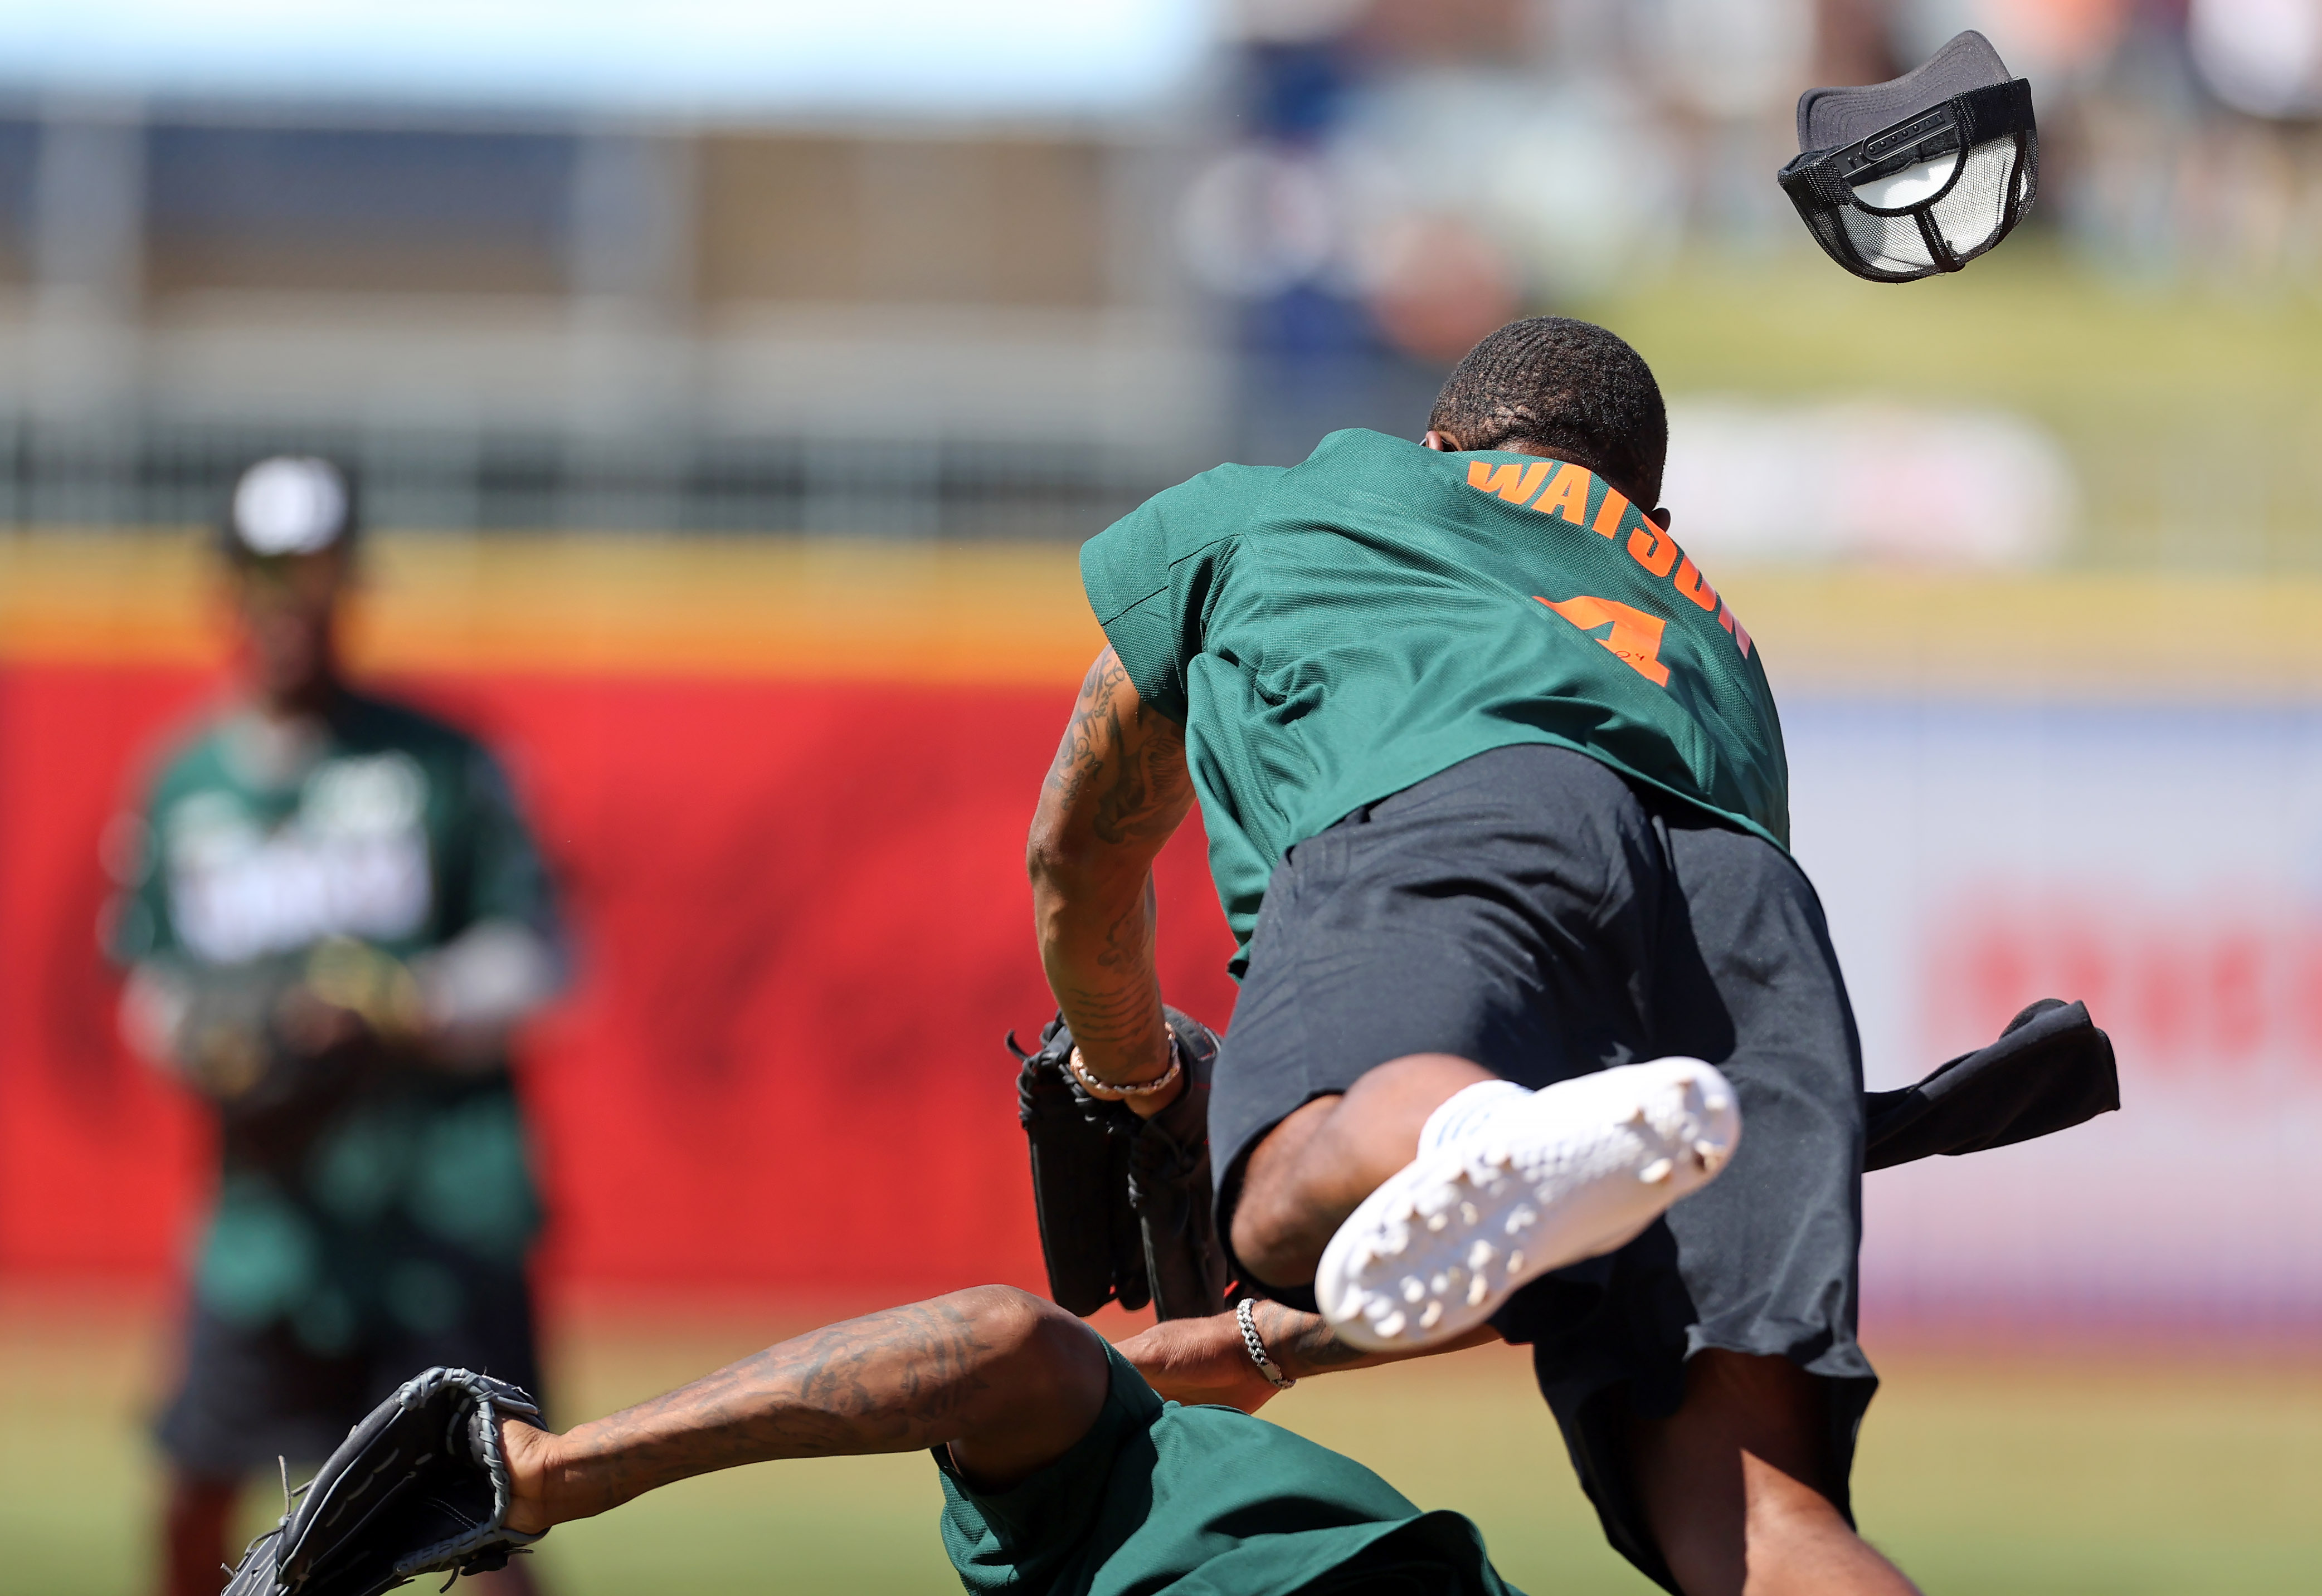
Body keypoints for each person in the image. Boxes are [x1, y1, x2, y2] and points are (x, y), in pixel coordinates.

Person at [1027, 317, 1915, 1594]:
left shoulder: (1304, 500)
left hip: (1458, 799)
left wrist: (1139, 1077)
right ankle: (1476, 1126)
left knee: (1279, 1203)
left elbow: (1074, 855)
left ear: (1439, 445)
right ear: (1645, 510)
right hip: (1749, 911)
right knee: (1760, 1518)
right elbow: (1545, 1206)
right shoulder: (1710, 634)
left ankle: (1460, 1121)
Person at [494, 1058, 1726, 1596]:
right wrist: (1269, 1346)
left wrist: (558, 1474)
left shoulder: (1106, 1470)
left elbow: (995, 1343)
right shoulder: (1132, 1457)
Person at [109, 456, 567, 1596]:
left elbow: (544, 955)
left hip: (440, 1200)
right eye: (266, 574)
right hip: (274, 1218)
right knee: (197, 1492)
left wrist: (402, 1004)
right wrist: (224, 1042)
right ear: (226, 586)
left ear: (348, 584)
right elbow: (146, 985)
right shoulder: (182, 785)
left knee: (485, 1526)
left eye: (314, 575)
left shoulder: (441, 765)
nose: (288, 604)